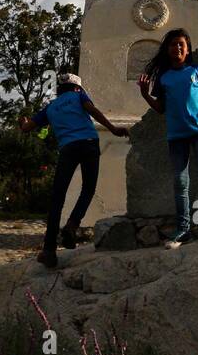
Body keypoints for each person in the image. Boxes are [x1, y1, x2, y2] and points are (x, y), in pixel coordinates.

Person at [138, 28, 198, 249]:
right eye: (173, 44)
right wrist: (144, 94)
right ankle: (183, 229)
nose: (178, 48)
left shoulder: (196, 70)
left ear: (188, 49)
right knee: (180, 181)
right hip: (176, 135)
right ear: (168, 49)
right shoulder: (164, 78)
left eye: (182, 44)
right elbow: (161, 108)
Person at [20, 73, 128, 268]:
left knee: (57, 197)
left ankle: (49, 250)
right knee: (88, 188)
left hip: (68, 148)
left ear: (59, 90)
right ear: (77, 87)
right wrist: (112, 128)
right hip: (89, 143)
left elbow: (27, 127)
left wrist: (23, 121)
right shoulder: (79, 96)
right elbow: (91, 110)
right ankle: (72, 224)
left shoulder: (51, 107)